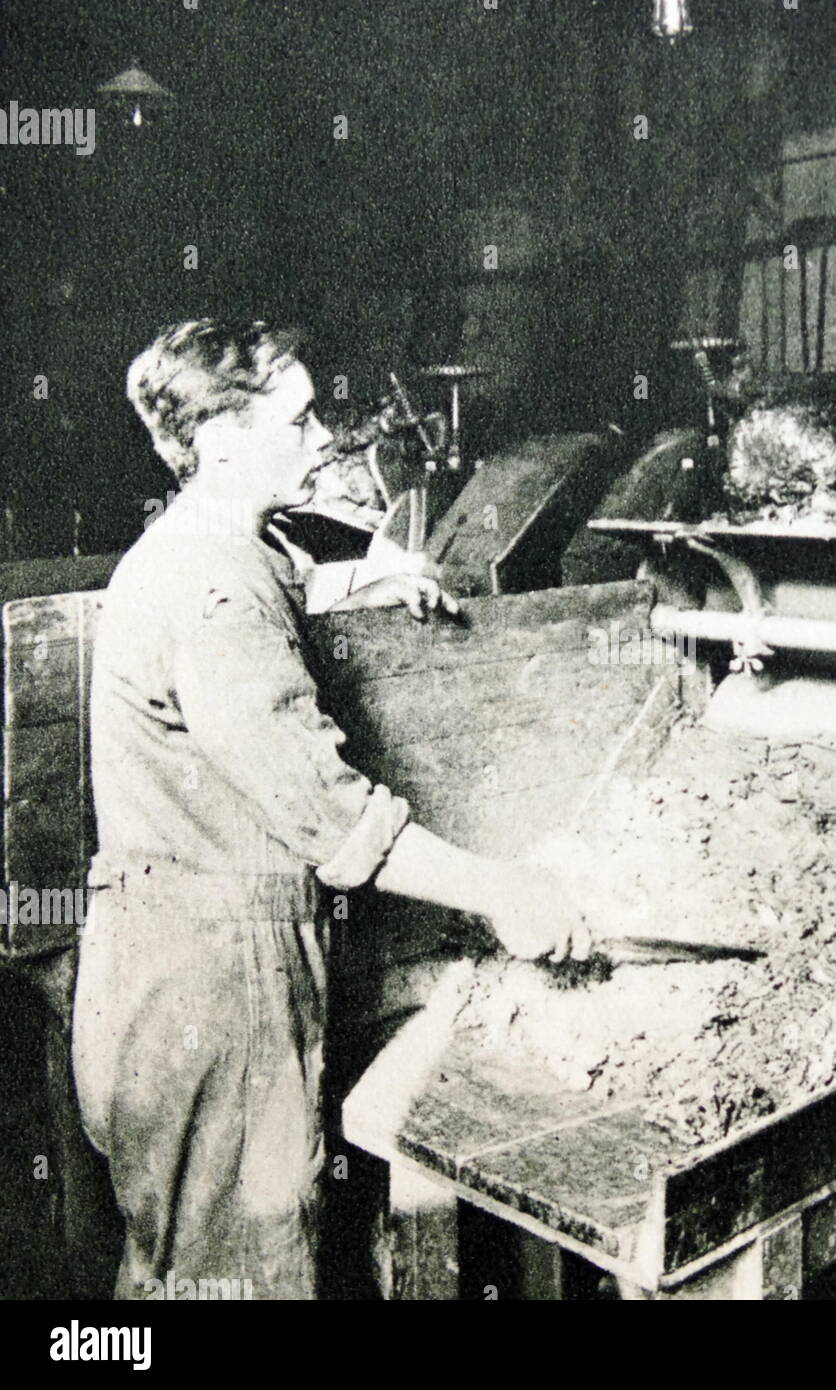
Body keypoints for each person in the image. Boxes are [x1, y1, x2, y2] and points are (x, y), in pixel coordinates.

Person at [72, 319, 594, 1300]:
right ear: (222, 439)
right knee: (240, 1278)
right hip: (217, 979)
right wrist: (503, 889)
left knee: (179, 1269)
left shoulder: (203, 547)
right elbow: (334, 818)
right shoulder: (216, 587)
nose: (322, 439)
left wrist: (368, 575)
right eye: (301, 419)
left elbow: (272, 594)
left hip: (162, 954)